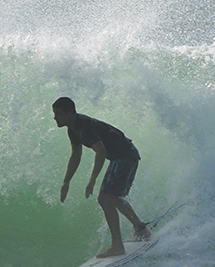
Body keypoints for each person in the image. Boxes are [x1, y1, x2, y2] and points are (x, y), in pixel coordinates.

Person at [52, 96, 150, 258]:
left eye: (59, 114)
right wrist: (66, 182)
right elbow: (75, 155)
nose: (55, 118)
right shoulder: (72, 129)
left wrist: (92, 179)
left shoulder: (85, 125)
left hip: (125, 155)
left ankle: (117, 246)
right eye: (55, 114)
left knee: (105, 198)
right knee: (113, 197)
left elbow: (101, 151)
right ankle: (141, 229)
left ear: (69, 113)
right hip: (123, 156)